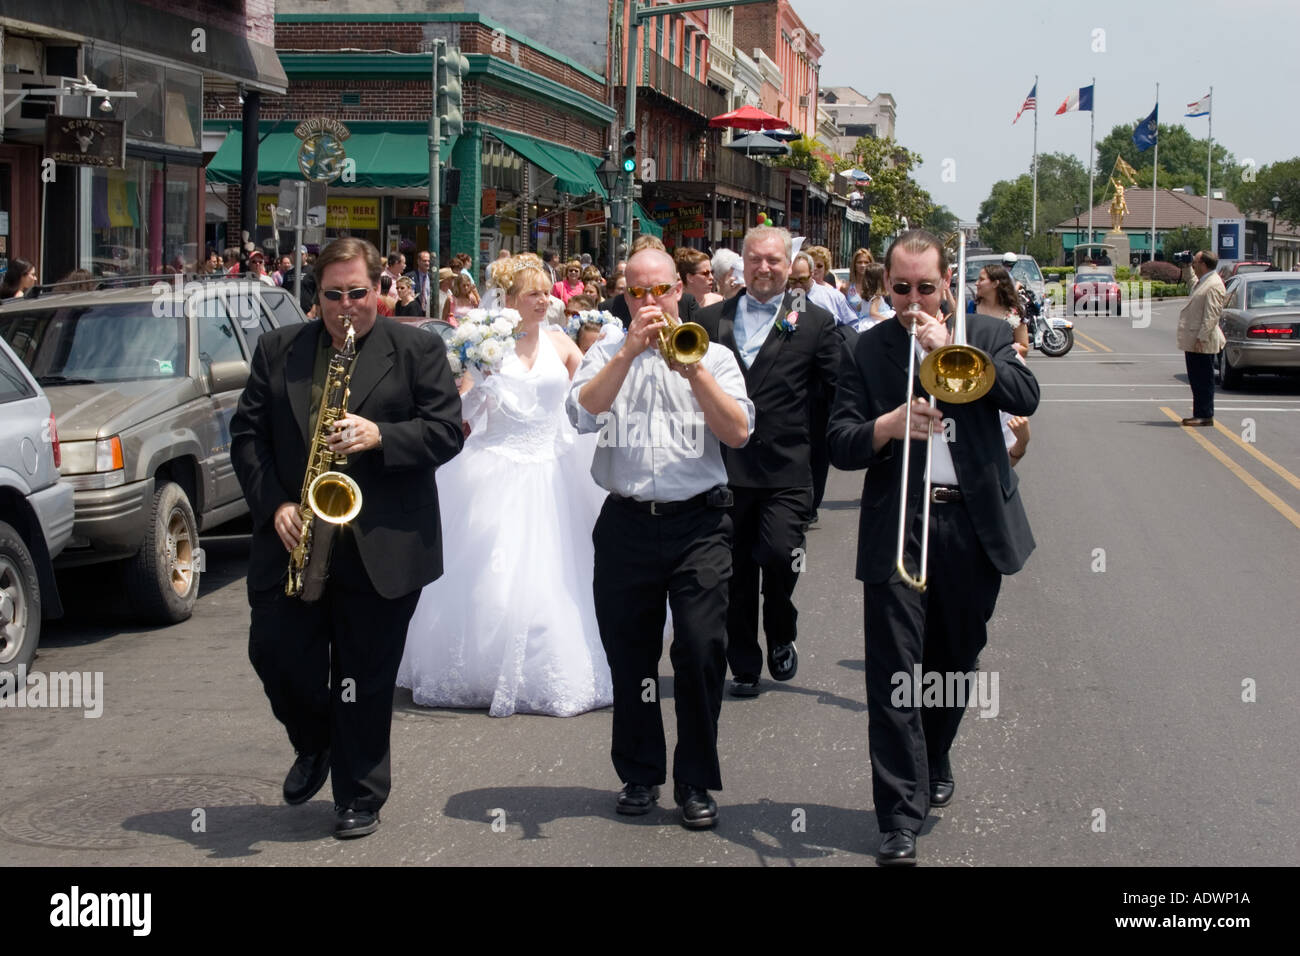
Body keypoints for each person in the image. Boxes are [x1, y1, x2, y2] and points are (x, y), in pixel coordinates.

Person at [229, 237, 464, 839]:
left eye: (357, 293)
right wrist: (276, 503)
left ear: (379, 290)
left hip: (381, 541)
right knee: (276, 655)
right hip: (295, 539)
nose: (345, 306)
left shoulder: (416, 347)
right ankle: (316, 742)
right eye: (332, 295)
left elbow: (445, 432)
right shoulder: (278, 349)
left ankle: (359, 793)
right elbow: (248, 437)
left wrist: (381, 436)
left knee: (365, 674)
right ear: (317, 295)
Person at [826, 229, 1039, 866]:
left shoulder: (991, 334)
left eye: (925, 287)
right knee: (894, 671)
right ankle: (897, 815)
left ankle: (933, 751)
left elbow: (1028, 398)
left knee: (955, 657)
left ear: (947, 283)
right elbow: (838, 441)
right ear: (884, 286)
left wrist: (956, 349)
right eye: (900, 288)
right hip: (901, 521)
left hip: (971, 526)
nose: (912, 299)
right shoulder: (865, 349)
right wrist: (888, 426)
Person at [567, 247, 754, 829]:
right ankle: (640, 774)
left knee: (700, 651)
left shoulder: (715, 354)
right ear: (626, 298)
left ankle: (695, 779)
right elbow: (581, 416)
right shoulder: (604, 351)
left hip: (699, 523)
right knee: (631, 657)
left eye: (660, 292)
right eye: (637, 294)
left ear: (681, 292)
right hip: (626, 522)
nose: (650, 303)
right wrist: (626, 352)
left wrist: (692, 370)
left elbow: (740, 432)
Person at [398, 261, 612, 717]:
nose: (542, 301)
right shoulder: (489, 348)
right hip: (498, 463)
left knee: (561, 571)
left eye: (544, 293)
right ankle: (484, 667)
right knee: (493, 573)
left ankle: (554, 661)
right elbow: (465, 410)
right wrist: (483, 379)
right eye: (531, 294)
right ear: (510, 300)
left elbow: (584, 394)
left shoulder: (560, 342)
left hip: (556, 464)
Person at [695, 227, 840, 698]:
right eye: (755, 259)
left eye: (773, 261)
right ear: (742, 262)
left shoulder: (814, 322)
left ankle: (781, 628)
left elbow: (842, 388)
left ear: (789, 264)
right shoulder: (710, 318)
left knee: (779, 557)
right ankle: (743, 661)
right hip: (725, 469)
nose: (764, 268)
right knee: (733, 573)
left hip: (786, 471)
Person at [1177, 250, 1227, 426]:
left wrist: (1202, 338)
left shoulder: (1214, 284)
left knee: (1203, 380)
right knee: (1196, 379)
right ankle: (1200, 412)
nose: (1194, 265)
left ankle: (1205, 415)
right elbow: (1192, 282)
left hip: (1202, 341)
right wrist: (1185, 266)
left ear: (1204, 264)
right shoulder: (1204, 281)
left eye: (1195, 263)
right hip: (1196, 339)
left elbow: (1212, 315)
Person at [975, 265, 1029, 357]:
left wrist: (1005, 350)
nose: (976, 283)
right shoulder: (970, 308)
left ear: (995, 283)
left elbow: (1024, 347)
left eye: (981, 279)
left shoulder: (1014, 312)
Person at [857, 262, 893, 331]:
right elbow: (873, 312)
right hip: (874, 324)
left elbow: (859, 308)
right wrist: (887, 320)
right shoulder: (877, 298)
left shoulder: (867, 297)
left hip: (863, 323)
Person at [405, 251, 434, 315]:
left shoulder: (433, 277)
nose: (427, 263)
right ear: (418, 261)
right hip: (415, 312)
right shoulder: (409, 276)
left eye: (428, 261)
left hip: (429, 313)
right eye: (424, 261)